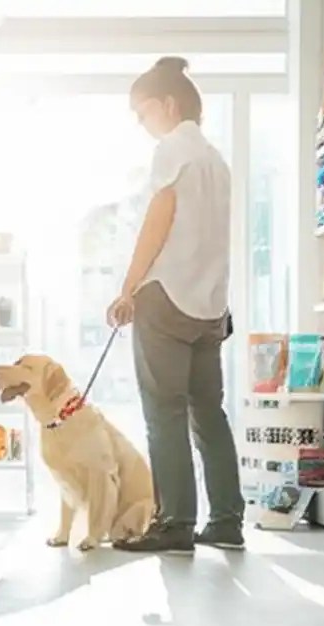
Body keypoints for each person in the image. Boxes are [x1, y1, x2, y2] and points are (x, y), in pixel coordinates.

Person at [106, 56, 243, 553]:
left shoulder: (173, 149)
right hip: (210, 306)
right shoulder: (216, 161)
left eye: (142, 113)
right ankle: (227, 521)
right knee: (208, 413)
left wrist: (128, 288)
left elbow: (158, 220)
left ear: (167, 104)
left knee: (163, 413)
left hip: (166, 299)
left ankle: (175, 524)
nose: (143, 125)